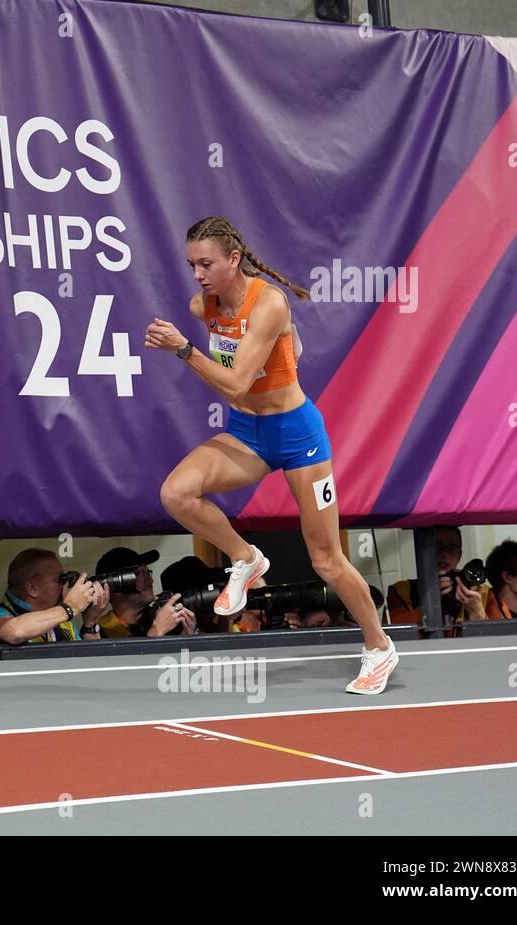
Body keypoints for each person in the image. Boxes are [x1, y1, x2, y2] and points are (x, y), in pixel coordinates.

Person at [146, 216, 396, 694]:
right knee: (176, 493)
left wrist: (183, 350)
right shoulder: (205, 305)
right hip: (247, 432)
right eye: (191, 265)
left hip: (297, 435)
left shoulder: (270, 303)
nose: (197, 274)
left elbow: (237, 381)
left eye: (206, 263)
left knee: (326, 560)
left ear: (233, 259)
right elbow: (245, 374)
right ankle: (246, 557)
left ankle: (379, 646)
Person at [0, 548, 111, 645]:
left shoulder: (60, 617)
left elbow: (88, 662)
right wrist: (70, 607)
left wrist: (90, 623)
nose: (64, 584)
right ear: (32, 588)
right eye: (59, 579)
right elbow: (14, 631)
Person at [387, 525, 486, 626]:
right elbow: (395, 635)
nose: (445, 554)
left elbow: (497, 638)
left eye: (452, 548)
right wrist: (428, 599)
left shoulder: (479, 592)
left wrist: (476, 613)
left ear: (459, 556)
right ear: (423, 552)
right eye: (437, 547)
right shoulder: (402, 591)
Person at [92, 547, 161, 637]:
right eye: (140, 573)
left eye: (148, 572)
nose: (151, 580)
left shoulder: (158, 619)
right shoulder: (99, 634)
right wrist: (159, 631)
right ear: (115, 584)